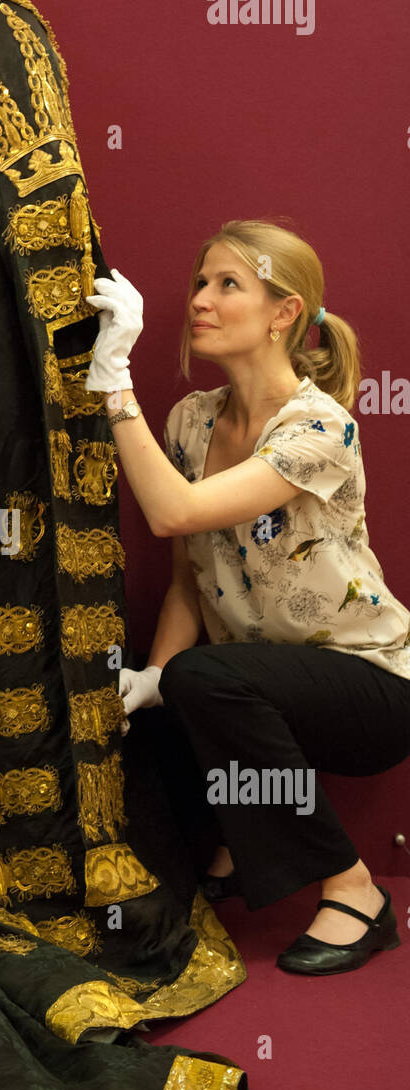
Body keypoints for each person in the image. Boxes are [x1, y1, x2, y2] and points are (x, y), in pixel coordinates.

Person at [84, 217, 410, 975]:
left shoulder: (322, 427)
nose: (200, 299)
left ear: (284, 312)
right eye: (201, 281)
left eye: (228, 284)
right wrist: (149, 685)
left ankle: (355, 889)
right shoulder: (191, 423)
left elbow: (173, 512)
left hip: (373, 690)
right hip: (257, 689)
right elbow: (189, 584)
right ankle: (222, 849)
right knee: (148, 687)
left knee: (195, 678)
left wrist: (115, 385)